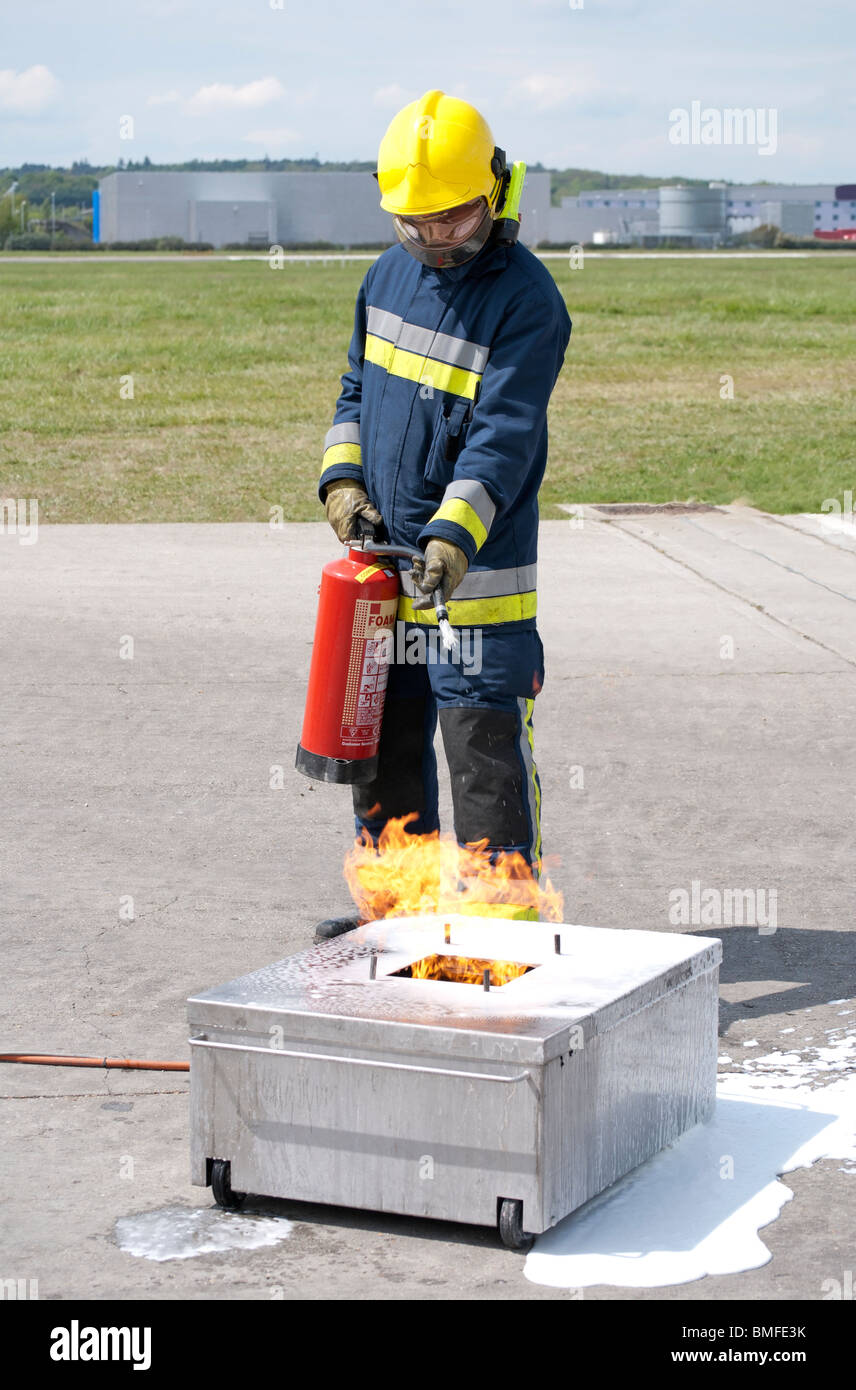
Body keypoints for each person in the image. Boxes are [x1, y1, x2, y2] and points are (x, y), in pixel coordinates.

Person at [316, 89, 571, 939]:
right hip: (385, 583)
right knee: (383, 761)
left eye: (454, 220)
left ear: (495, 191)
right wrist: (342, 486)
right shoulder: (386, 277)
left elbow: (501, 440)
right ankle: (397, 924)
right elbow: (354, 391)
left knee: (484, 766)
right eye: (416, 222)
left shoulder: (528, 303)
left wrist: (451, 542)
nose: (434, 240)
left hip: (478, 594)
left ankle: (504, 939)